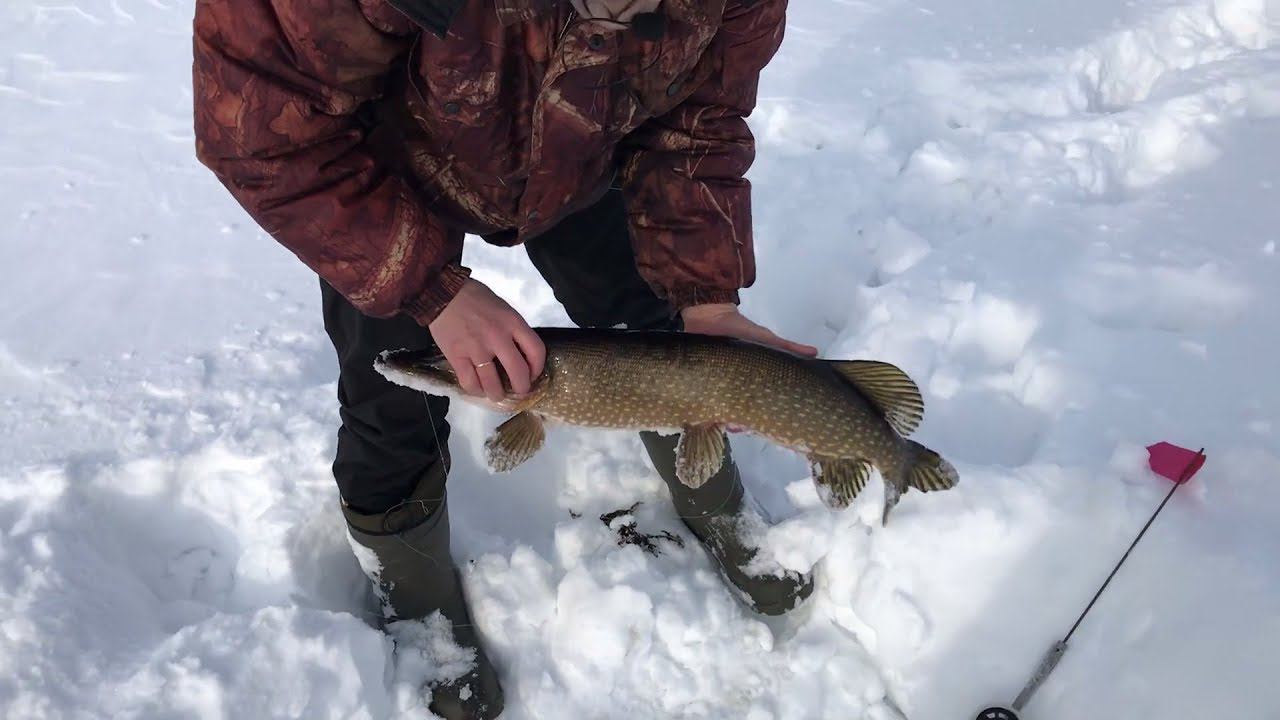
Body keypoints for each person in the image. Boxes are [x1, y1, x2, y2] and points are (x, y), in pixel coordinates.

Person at [193, 1, 812, 716]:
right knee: (390, 390)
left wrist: (704, 291)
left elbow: (698, 118)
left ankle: (713, 498)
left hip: (582, 158)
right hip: (385, 178)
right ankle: (415, 592)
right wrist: (430, 290)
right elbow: (257, 131)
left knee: (656, 329)